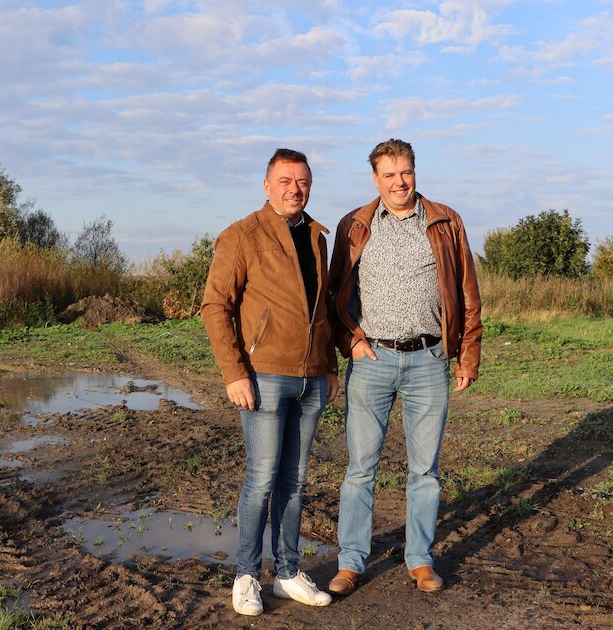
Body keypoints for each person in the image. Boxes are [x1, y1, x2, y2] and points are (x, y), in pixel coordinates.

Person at [325, 138, 482, 596]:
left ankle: (420, 559)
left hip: (430, 359)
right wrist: (349, 341)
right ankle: (351, 561)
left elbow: (468, 293)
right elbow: (335, 294)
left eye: (406, 172)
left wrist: (467, 353)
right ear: (375, 178)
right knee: (360, 468)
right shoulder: (354, 224)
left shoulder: (446, 221)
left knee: (425, 470)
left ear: (416, 172)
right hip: (372, 359)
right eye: (389, 174)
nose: (399, 181)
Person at [200, 148, 339, 617]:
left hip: (311, 378)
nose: (294, 188)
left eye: (301, 181)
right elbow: (215, 307)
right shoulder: (241, 236)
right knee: (260, 479)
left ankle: (286, 572)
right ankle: (245, 575)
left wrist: (330, 366)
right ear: (266, 184)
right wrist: (235, 372)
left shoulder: (318, 236)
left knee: (295, 480)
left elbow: (324, 307)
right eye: (284, 180)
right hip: (264, 377)